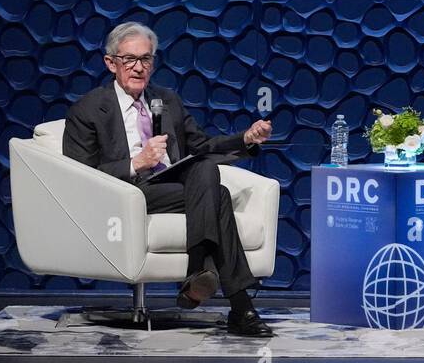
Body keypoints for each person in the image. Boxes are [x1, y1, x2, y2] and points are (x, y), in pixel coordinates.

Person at [62, 21, 275, 336]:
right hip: (126, 192)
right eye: (129, 60)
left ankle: (197, 274)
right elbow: (79, 175)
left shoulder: (166, 100)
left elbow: (201, 147)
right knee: (218, 196)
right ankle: (239, 307)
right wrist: (136, 163)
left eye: (145, 59)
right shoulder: (89, 109)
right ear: (111, 63)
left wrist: (246, 138)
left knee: (206, 171)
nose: (138, 68)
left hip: (172, 186)